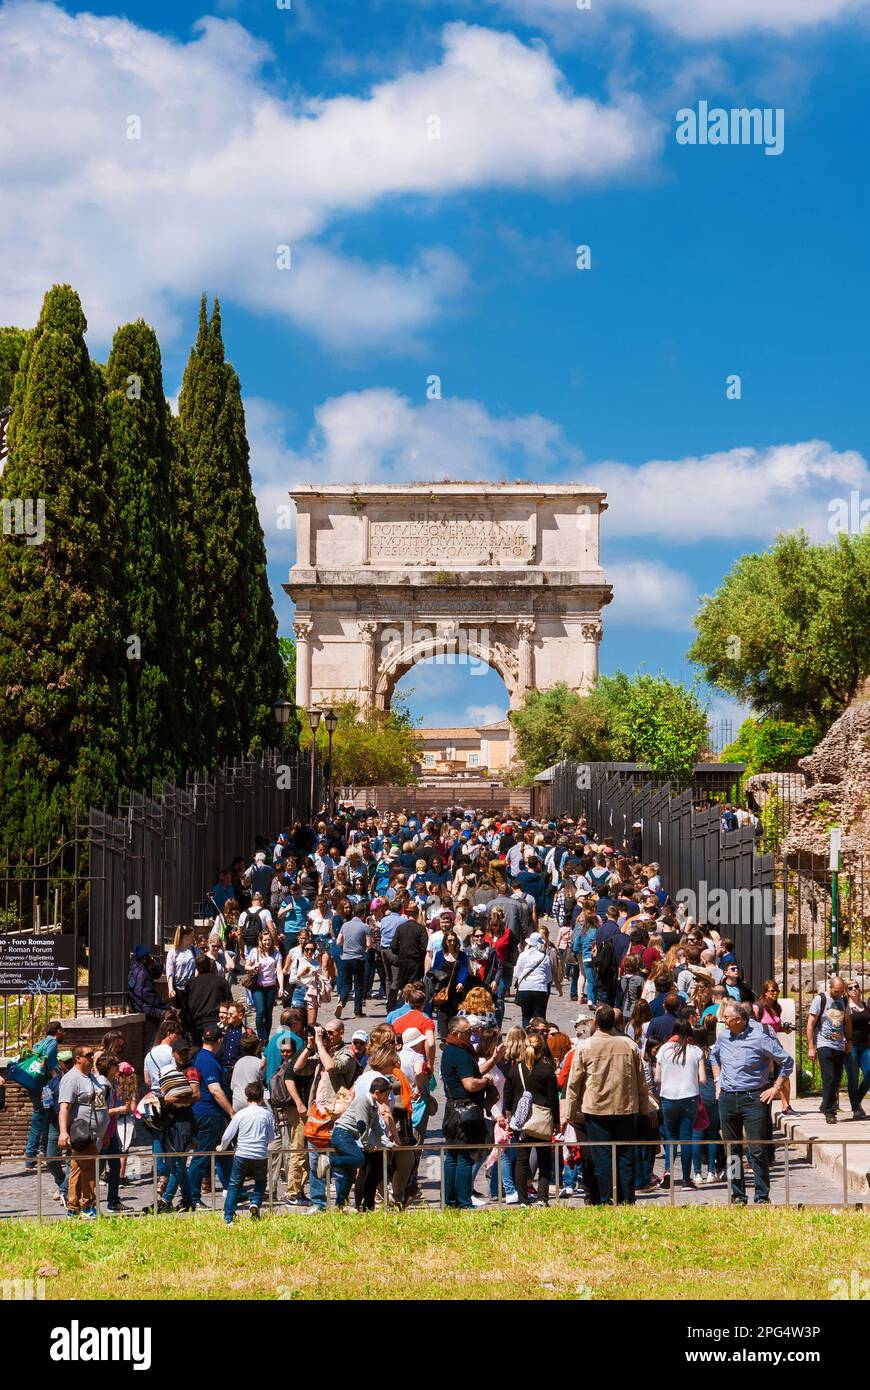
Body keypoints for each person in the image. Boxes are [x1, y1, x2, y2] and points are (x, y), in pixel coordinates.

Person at [562, 1005, 653, 1206]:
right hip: (626, 1108)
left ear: (595, 1022)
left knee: (601, 1157)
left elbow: (574, 1083)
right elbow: (641, 1081)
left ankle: (605, 1198)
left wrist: (570, 1111)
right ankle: (626, 1198)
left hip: (596, 1109)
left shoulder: (585, 1047)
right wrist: (645, 1109)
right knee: (625, 1156)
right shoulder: (629, 1045)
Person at [710, 1001, 794, 1205]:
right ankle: (737, 1194)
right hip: (728, 1098)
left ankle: (762, 1195)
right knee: (732, 1148)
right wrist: (717, 1082)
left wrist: (775, 1088)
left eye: (727, 1018)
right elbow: (713, 1056)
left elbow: (787, 1061)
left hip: (753, 1098)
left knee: (757, 1149)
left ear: (738, 1019)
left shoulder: (760, 1038)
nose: (723, 1021)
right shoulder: (723, 1037)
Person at [441, 1016, 500, 1210]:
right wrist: (488, 1082)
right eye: (468, 1032)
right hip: (464, 1110)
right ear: (456, 1033)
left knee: (453, 1156)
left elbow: (473, 1072)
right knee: (465, 1157)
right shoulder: (460, 1052)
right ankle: (463, 1201)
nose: (472, 1034)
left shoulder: (452, 1049)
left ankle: (449, 1201)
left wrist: (493, 1060)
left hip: (453, 1109)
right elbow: (471, 1083)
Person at [503, 1029, 560, 1206]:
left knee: (522, 1160)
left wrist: (510, 1115)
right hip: (541, 1119)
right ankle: (543, 1198)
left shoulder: (515, 1068)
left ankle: (522, 1199)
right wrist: (557, 1121)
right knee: (544, 1161)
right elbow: (553, 1099)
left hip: (521, 1120)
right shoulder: (547, 1070)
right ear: (542, 1049)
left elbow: (508, 1094)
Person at [57, 1044, 109, 1218]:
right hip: (82, 1132)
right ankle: (85, 1206)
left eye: (92, 1054)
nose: (91, 1057)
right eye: (88, 1055)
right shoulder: (72, 1078)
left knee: (80, 1169)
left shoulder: (91, 1077)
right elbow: (64, 1107)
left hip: (94, 1133)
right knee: (87, 1170)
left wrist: (105, 1131)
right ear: (78, 1058)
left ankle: (74, 1207)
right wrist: (63, 1132)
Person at [330, 1076, 395, 1211]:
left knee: (349, 1172)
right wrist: (367, 1145)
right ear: (377, 1093)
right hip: (342, 1133)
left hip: (348, 1136)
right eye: (386, 1095)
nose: (387, 1098)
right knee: (359, 1159)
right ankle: (329, 1162)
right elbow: (362, 1125)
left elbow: (376, 1127)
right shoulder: (363, 1101)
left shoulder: (373, 1105)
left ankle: (340, 1204)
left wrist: (388, 1143)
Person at [655, 1019, 705, 1190]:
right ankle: (686, 1179)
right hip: (689, 1096)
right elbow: (703, 1078)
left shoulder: (663, 1049)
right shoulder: (696, 1051)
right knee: (686, 1138)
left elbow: (657, 1078)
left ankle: (668, 1171)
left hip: (668, 1097)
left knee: (670, 1137)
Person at [189, 1025, 236, 1208]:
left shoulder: (204, 1057)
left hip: (213, 1113)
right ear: (219, 1041)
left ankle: (233, 1191)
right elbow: (215, 1090)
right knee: (202, 1156)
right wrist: (231, 1111)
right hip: (208, 1113)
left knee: (224, 1153)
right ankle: (193, 1198)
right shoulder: (207, 1060)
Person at [218, 1080, 276, 1224]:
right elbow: (271, 1137)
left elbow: (228, 1135)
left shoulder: (241, 1114)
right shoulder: (267, 1114)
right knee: (261, 1181)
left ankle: (229, 1216)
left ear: (246, 1097)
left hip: (242, 1153)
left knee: (235, 1184)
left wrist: (222, 1147)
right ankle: (255, 1202)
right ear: (262, 1097)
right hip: (260, 1155)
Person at [15, 1019, 65, 1168]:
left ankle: (43, 1153)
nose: (63, 1033)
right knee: (40, 1118)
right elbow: (48, 1061)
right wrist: (55, 1069)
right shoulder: (53, 1043)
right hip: (44, 1086)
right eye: (62, 1030)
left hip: (33, 1085)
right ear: (57, 1031)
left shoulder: (40, 1043)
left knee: (45, 1117)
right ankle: (31, 1157)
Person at [807, 977, 852, 1123]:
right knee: (829, 1077)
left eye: (841, 991)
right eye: (836, 991)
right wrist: (811, 1047)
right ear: (830, 987)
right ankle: (830, 1111)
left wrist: (849, 1040)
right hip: (823, 1043)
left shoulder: (844, 1001)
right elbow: (810, 1024)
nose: (838, 994)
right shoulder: (820, 999)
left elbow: (847, 1021)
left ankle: (825, 1104)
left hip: (839, 1044)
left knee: (837, 1079)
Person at [245, 929, 284, 1044]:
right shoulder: (254, 952)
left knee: (268, 1014)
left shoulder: (276, 952)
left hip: (271, 987)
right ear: (261, 941)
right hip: (258, 986)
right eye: (265, 940)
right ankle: (262, 1037)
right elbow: (246, 966)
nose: (267, 942)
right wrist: (253, 967)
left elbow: (280, 971)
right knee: (260, 1011)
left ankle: (265, 1038)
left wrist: (281, 987)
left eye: (269, 940)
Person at [186, 954, 232, 1047]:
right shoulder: (221, 981)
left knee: (198, 1053)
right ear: (209, 965)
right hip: (215, 1022)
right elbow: (229, 1003)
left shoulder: (190, 984)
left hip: (197, 1025)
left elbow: (186, 1007)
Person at [335, 910, 371, 1019]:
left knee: (346, 983)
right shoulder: (365, 927)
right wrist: (363, 950)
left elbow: (338, 942)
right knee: (358, 985)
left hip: (346, 958)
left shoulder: (345, 925)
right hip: (358, 958)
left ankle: (342, 1001)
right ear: (363, 915)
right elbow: (369, 944)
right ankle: (358, 1011)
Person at [514, 932, 553, 1028]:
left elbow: (517, 974)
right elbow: (549, 977)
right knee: (539, 1016)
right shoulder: (545, 957)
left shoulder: (523, 955)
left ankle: (527, 1037)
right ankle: (539, 1038)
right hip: (540, 988)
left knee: (526, 1016)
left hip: (524, 988)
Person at [844, 980, 870, 1119]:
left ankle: (857, 1102)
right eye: (850, 988)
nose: (854, 989)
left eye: (856, 986)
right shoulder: (845, 1007)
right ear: (847, 991)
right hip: (851, 1045)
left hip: (866, 1045)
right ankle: (856, 1109)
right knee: (853, 1077)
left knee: (869, 1074)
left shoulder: (865, 1005)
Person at [127, 946, 167, 1032]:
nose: (151, 957)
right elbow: (148, 996)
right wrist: (166, 1007)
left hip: (144, 1006)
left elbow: (157, 974)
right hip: (143, 1008)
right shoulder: (141, 974)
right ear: (145, 958)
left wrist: (154, 963)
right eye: (149, 956)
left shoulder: (141, 968)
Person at [166, 926, 198, 1028]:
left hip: (191, 987)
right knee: (179, 1013)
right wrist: (170, 988)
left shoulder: (194, 950)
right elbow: (170, 971)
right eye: (191, 936)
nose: (193, 938)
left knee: (191, 1013)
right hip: (178, 988)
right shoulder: (173, 952)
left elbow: (198, 966)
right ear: (185, 936)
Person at [230, 1034, 265, 1111]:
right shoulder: (259, 1063)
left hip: (237, 1101)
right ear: (257, 1048)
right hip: (253, 1101)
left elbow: (232, 1087)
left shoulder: (238, 1063)